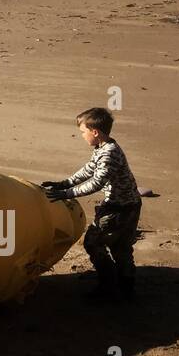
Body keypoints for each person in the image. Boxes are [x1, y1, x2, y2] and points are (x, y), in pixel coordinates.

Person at [43, 107, 142, 301]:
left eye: (83, 132)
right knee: (121, 247)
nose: (82, 136)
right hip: (130, 205)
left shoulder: (109, 154)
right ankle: (126, 287)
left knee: (93, 242)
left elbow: (97, 182)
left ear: (95, 132)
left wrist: (66, 193)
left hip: (117, 209)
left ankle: (108, 287)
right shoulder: (105, 147)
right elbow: (89, 169)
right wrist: (65, 183)